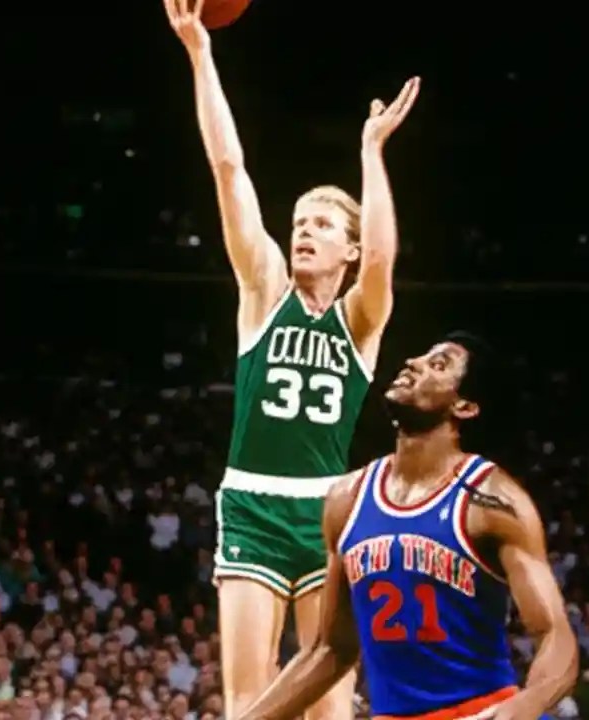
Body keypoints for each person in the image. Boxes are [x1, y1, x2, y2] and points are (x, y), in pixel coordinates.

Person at [162, 0, 421, 717]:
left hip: (327, 517)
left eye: (321, 226)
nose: (303, 232)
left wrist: (370, 154)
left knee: (330, 709)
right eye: (299, 222)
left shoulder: (361, 320)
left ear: (350, 248)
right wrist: (200, 52)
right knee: (248, 703)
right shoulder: (263, 290)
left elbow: (387, 259)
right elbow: (228, 166)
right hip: (250, 504)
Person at [237, 333, 580, 720]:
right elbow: (330, 649)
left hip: (482, 710)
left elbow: (555, 636)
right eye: (421, 354)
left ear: (464, 406)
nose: (413, 361)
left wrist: (523, 707)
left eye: (438, 365)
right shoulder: (346, 498)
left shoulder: (491, 500)